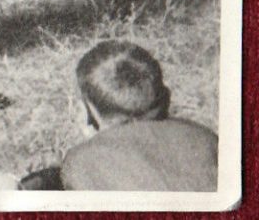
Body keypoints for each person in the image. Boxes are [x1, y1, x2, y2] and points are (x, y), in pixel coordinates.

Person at [56, 41, 217, 191]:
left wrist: (94, 143)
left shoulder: (82, 163)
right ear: (166, 97)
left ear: (87, 112)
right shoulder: (207, 140)